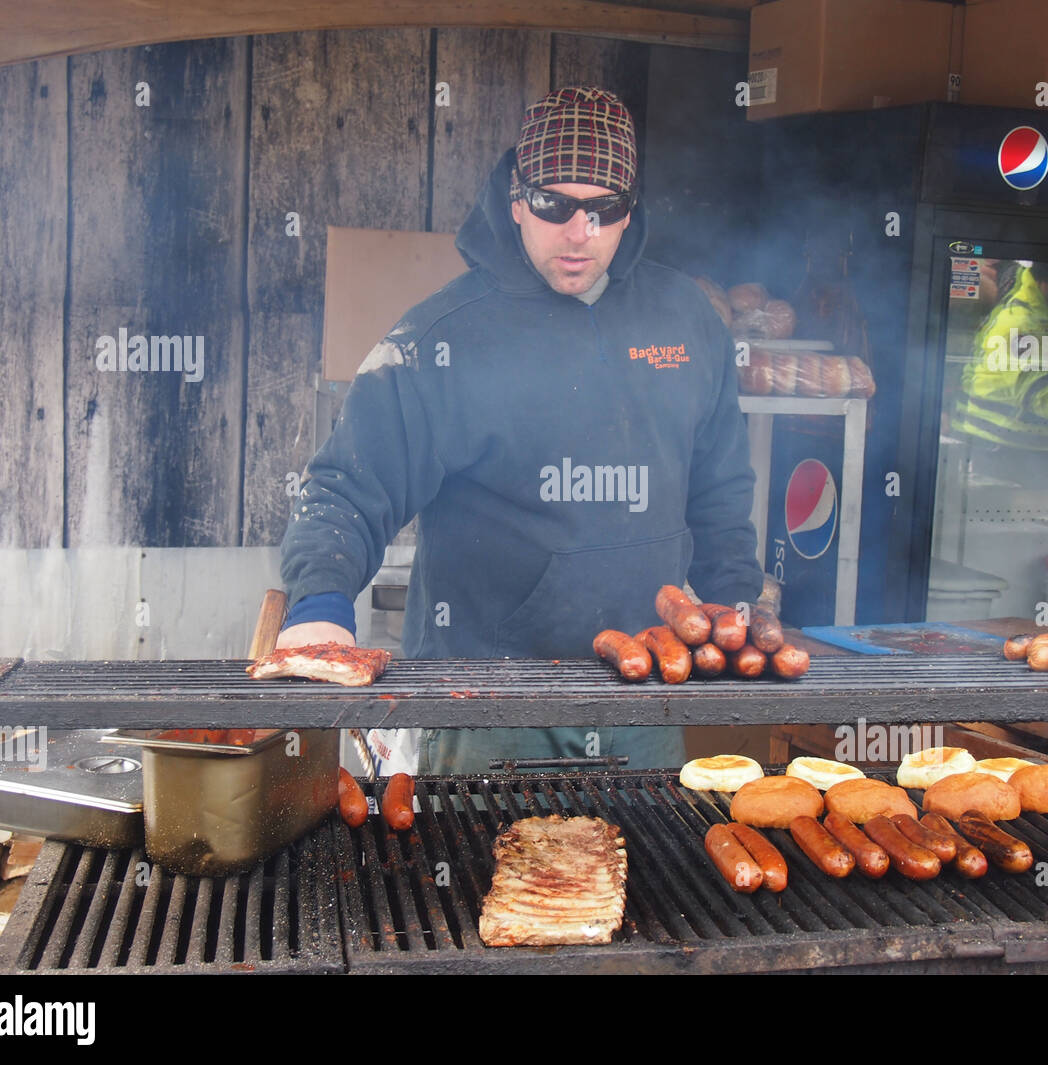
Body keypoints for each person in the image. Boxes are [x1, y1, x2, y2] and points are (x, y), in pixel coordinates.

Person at [275, 86, 764, 774]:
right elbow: (345, 489)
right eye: (554, 205)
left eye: (604, 209)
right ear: (516, 202)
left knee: (644, 883)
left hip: (644, 695)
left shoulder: (686, 323)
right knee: (483, 883)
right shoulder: (441, 338)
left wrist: (732, 607)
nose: (578, 232)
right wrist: (321, 605)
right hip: (482, 707)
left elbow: (720, 496)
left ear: (629, 212)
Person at [951, 261, 1048, 489]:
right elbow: (1033, 390)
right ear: (1044, 278)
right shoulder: (1017, 319)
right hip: (998, 446)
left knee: (1031, 517)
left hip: (1038, 448)